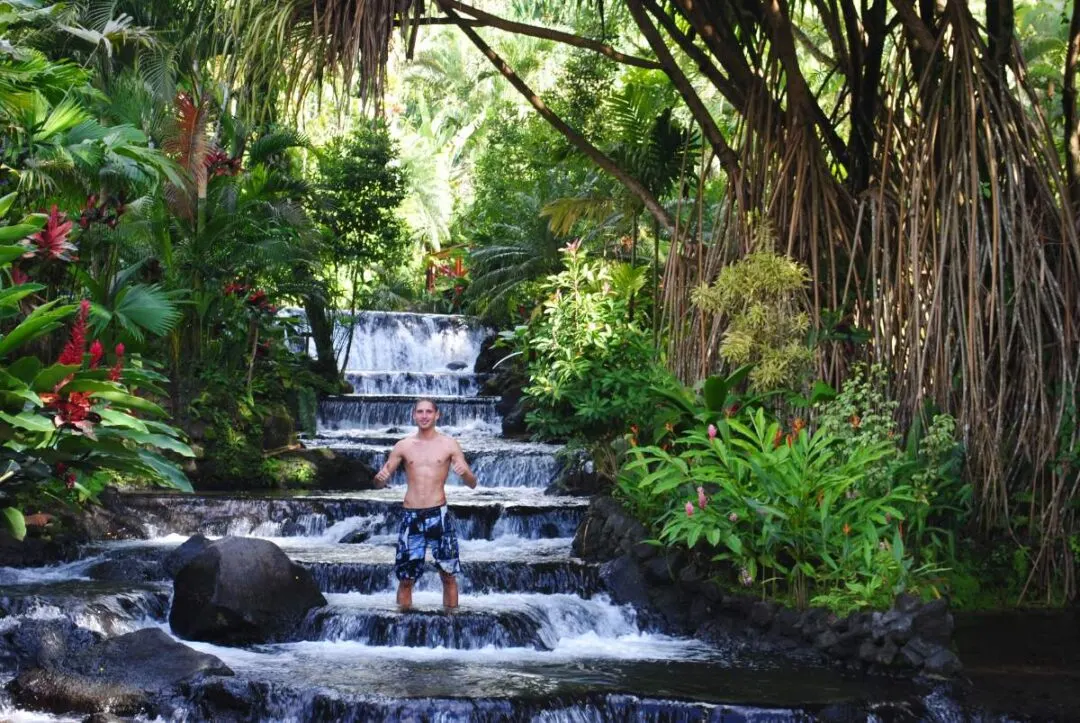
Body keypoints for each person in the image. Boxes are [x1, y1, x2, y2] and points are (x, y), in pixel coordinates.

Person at [374, 398, 477, 610]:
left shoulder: (449, 445)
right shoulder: (403, 446)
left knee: (448, 575)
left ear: (437, 415)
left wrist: (465, 473)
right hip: (411, 516)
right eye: (420, 412)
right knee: (406, 579)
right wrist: (380, 479)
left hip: (438, 515)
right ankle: (402, 628)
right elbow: (377, 483)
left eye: (428, 412)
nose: (424, 416)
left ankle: (451, 626)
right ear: (414, 415)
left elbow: (472, 484)